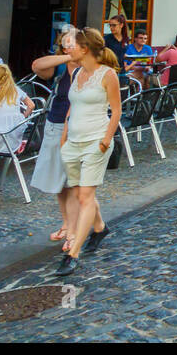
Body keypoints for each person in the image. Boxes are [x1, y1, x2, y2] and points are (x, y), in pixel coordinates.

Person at [30, 28, 106, 253]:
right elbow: (37, 66)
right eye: (64, 44)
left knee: (76, 184)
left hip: (79, 130)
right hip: (55, 125)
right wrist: (68, 57)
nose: (67, 47)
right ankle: (89, 225)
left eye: (71, 43)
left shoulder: (90, 68)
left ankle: (74, 231)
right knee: (60, 182)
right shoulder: (62, 67)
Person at [56, 27, 122, 276]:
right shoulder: (76, 72)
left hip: (96, 141)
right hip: (73, 142)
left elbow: (116, 110)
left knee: (84, 196)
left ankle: (73, 254)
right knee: (80, 192)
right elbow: (71, 108)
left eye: (72, 45)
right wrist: (63, 138)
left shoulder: (108, 75)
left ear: (85, 49)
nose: (68, 49)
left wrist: (106, 140)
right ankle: (100, 227)